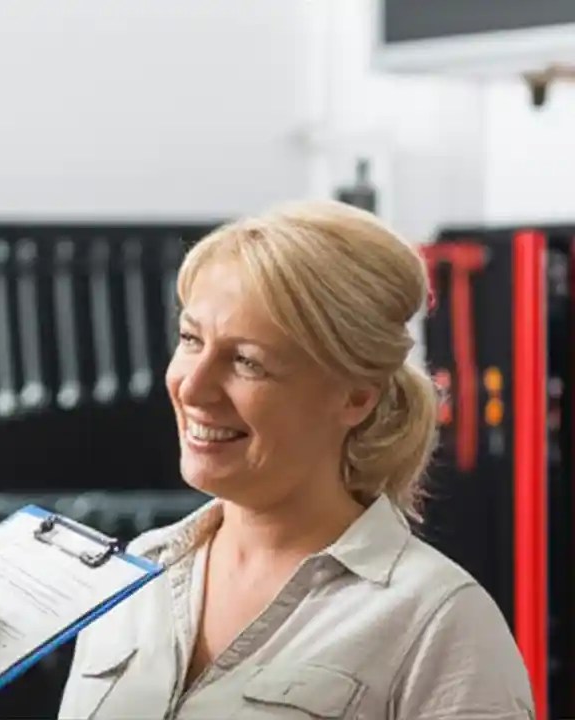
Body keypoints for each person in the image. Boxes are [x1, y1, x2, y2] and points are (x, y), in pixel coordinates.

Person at [59, 200, 536, 719]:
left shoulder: (438, 622)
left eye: (247, 361)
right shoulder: (134, 577)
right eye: (191, 339)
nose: (192, 387)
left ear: (355, 397)